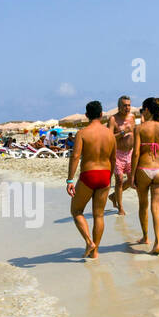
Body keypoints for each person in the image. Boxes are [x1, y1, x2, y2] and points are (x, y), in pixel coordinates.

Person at [66, 101, 117, 260]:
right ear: (102, 114)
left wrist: (69, 180)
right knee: (99, 215)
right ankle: (95, 253)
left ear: (86, 115)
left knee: (76, 211)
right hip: (105, 175)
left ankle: (89, 242)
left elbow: (75, 157)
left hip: (89, 174)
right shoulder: (110, 134)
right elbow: (113, 158)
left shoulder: (82, 133)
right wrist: (109, 177)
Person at [131, 97, 159, 254]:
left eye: (143, 109)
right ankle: (158, 242)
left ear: (147, 110)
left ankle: (145, 237)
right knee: (157, 208)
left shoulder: (140, 128)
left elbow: (136, 154)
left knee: (143, 205)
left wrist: (132, 175)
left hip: (144, 168)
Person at [108, 95, 137, 216]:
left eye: (129, 105)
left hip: (130, 153)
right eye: (125, 105)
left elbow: (135, 134)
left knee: (132, 181)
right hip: (118, 153)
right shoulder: (113, 119)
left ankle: (114, 196)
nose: (127, 108)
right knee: (119, 180)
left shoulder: (132, 117)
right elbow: (109, 137)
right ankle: (120, 208)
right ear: (119, 106)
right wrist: (123, 132)